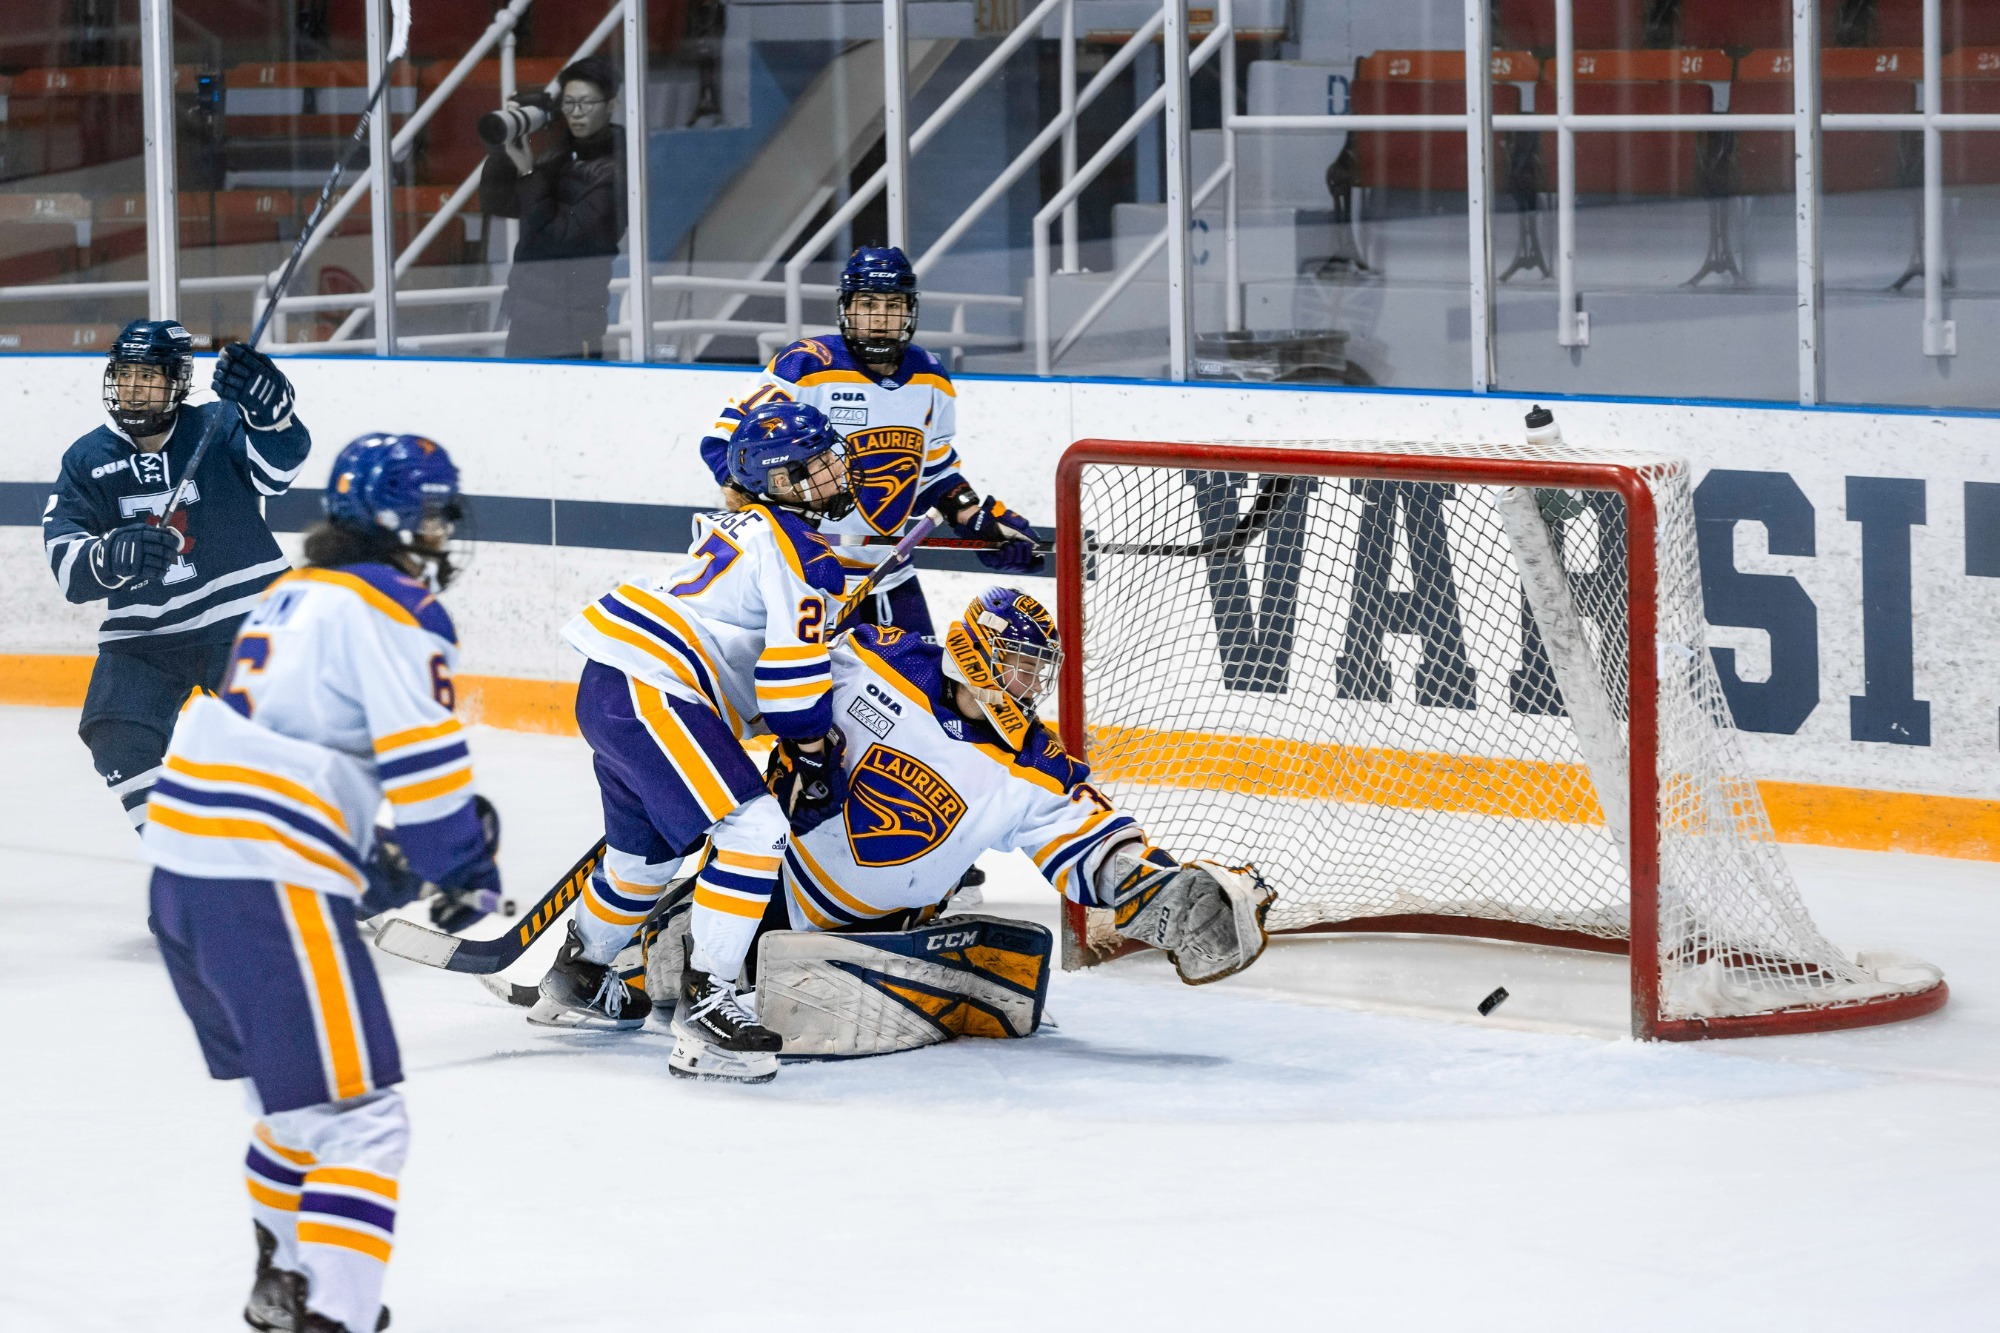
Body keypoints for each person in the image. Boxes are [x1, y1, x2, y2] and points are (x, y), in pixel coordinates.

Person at [142, 433, 499, 1333]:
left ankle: (284, 1280)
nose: (439, 532)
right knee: (363, 1121)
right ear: (390, 521)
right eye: (429, 514)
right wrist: (466, 867)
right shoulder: (395, 607)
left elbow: (292, 748)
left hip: (185, 871)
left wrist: (376, 866)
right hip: (267, 876)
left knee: (296, 1109)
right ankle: (331, 1316)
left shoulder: (289, 592)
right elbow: (425, 772)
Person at [637, 587, 1277, 1064]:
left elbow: (1090, 841)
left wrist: (1153, 889)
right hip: (776, 881)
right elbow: (773, 688)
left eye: (1038, 667)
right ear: (977, 651)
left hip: (884, 929)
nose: (1031, 682)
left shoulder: (1036, 764)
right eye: (1021, 663)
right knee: (663, 971)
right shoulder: (870, 658)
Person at [534, 400, 853, 1085]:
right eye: (809, 470)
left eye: (829, 461)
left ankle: (579, 973)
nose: (829, 476)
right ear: (774, 482)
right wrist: (814, 746)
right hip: (655, 688)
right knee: (756, 828)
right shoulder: (804, 551)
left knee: (645, 854)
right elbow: (794, 694)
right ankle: (708, 1007)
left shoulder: (749, 527)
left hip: (613, 681)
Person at [43, 318, 311, 832]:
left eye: (149, 377)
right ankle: (185, 870)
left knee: (292, 736)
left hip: (246, 619)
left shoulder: (220, 424)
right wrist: (113, 556)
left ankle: (312, 860)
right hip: (146, 636)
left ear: (177, 381)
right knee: (116, 733)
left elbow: (276, 475)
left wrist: (271, 415)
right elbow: (67, 565)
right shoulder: (87, 459)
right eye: (125, 375)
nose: (135, 389)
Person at [697, 245, 1043, 635]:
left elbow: (932, 472)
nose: (880, 318)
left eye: (893, 305)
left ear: (909, 311)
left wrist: (974, 518)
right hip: (804, 574)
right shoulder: (807, 365)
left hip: (892, 572)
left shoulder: (930, 376)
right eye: (868, 304)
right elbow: (724, 445)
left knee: (924, 691)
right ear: (847, 307)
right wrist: (773, 519)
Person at [479, 55, 627, 360]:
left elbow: (558, 240)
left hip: (572, 331)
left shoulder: (616, 170)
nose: (576, 113)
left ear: (611, 105)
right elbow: (497, 200)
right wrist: (503, 149)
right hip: (527, 320)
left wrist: (529, 173)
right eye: (569, 104)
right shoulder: (563, 153)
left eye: (586, 103)